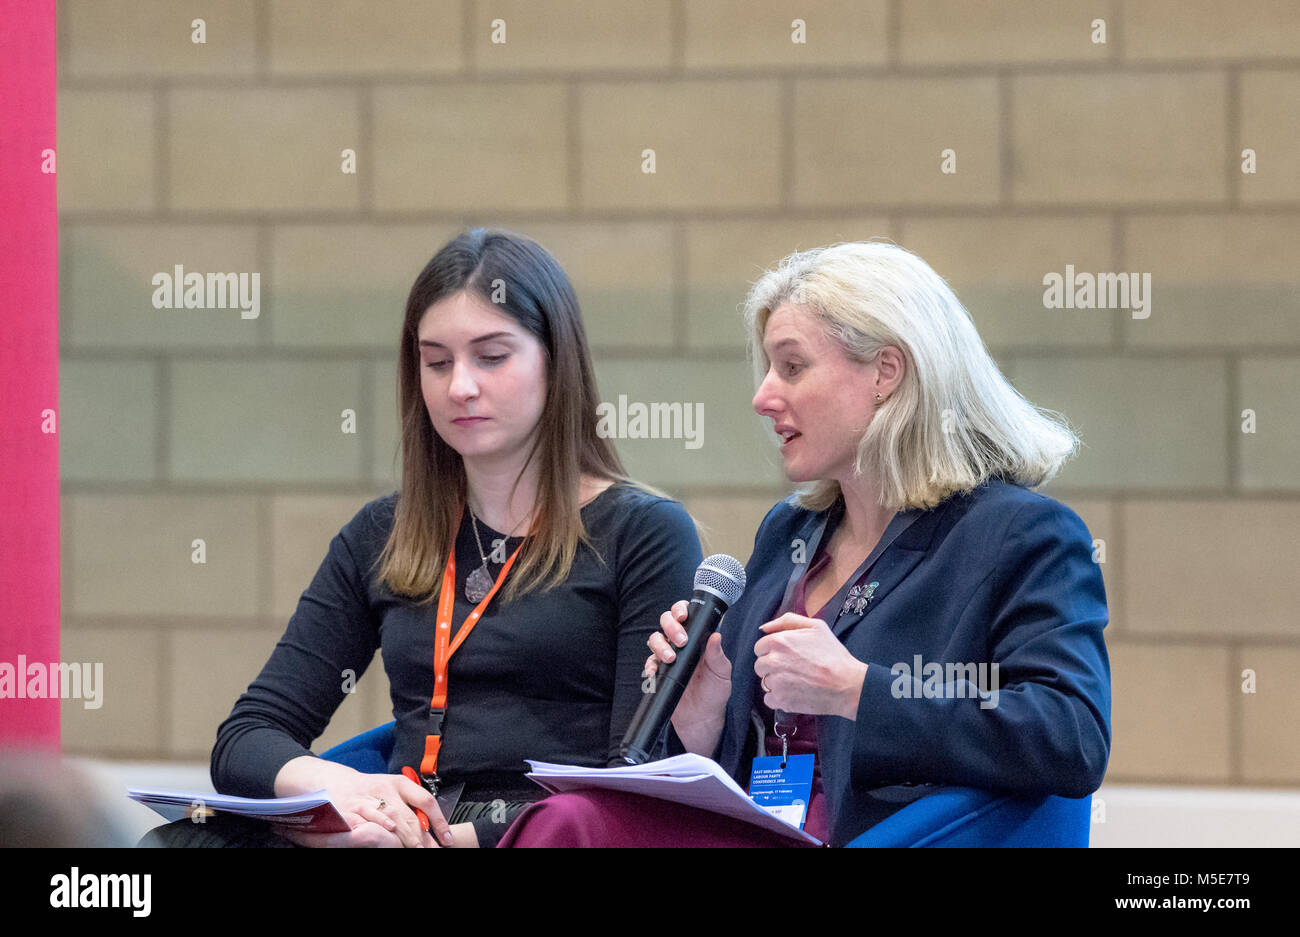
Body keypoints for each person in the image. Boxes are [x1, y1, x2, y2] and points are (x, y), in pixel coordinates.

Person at [496, 240, 1111, 847]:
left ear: (885, 373)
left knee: (576, 827)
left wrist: (858, 690)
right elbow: (753, 761)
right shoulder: (789, 532)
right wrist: (702, 715)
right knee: (572, 819)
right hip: (761, 833)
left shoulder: (1020, 536)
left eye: (792, 367)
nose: (763, 397)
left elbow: (1072, 737)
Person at [139, 228, 702, 848]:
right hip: (401, 820)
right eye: (437, 362)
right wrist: (342, 796)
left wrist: (444, 840)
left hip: (540, 829)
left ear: (555, 360)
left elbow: (630, 782)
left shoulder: (643, 531)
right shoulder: (382, 533)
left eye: (491, 357)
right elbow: (248, 737)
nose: (460, 386)